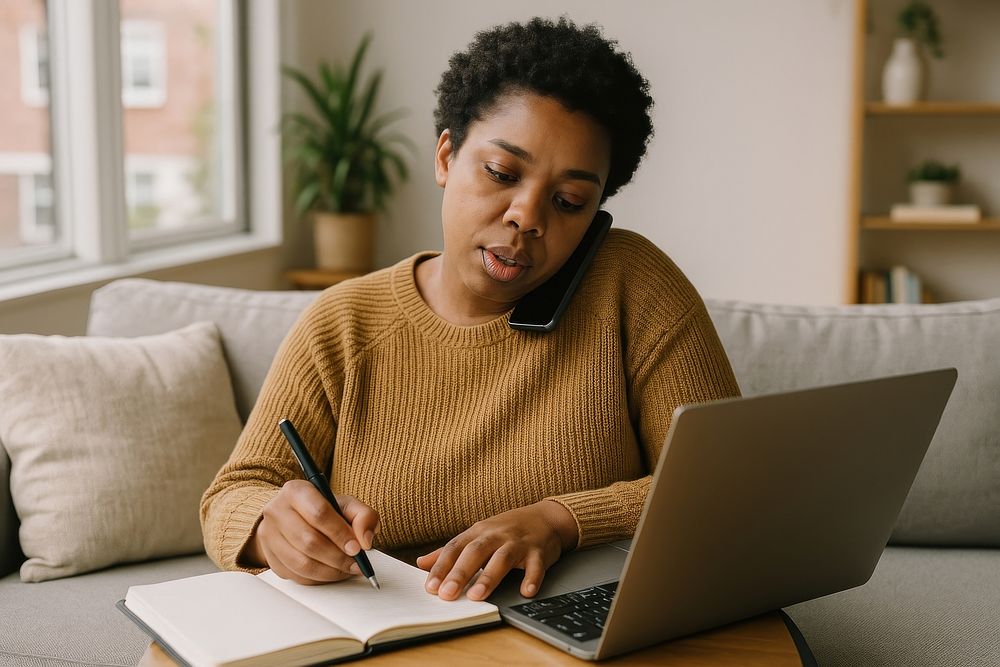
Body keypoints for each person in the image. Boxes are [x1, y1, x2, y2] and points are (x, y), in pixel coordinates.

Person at [200, 16, 740, 603]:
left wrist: (561, 521)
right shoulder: (344, 324)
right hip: (397, 628)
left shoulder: (632, 285)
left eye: (569, 201)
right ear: (445, 156)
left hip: (580, 624)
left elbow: (728, 478)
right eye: (502, 173)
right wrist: (268, 527)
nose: (527, 217)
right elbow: (236, 492)